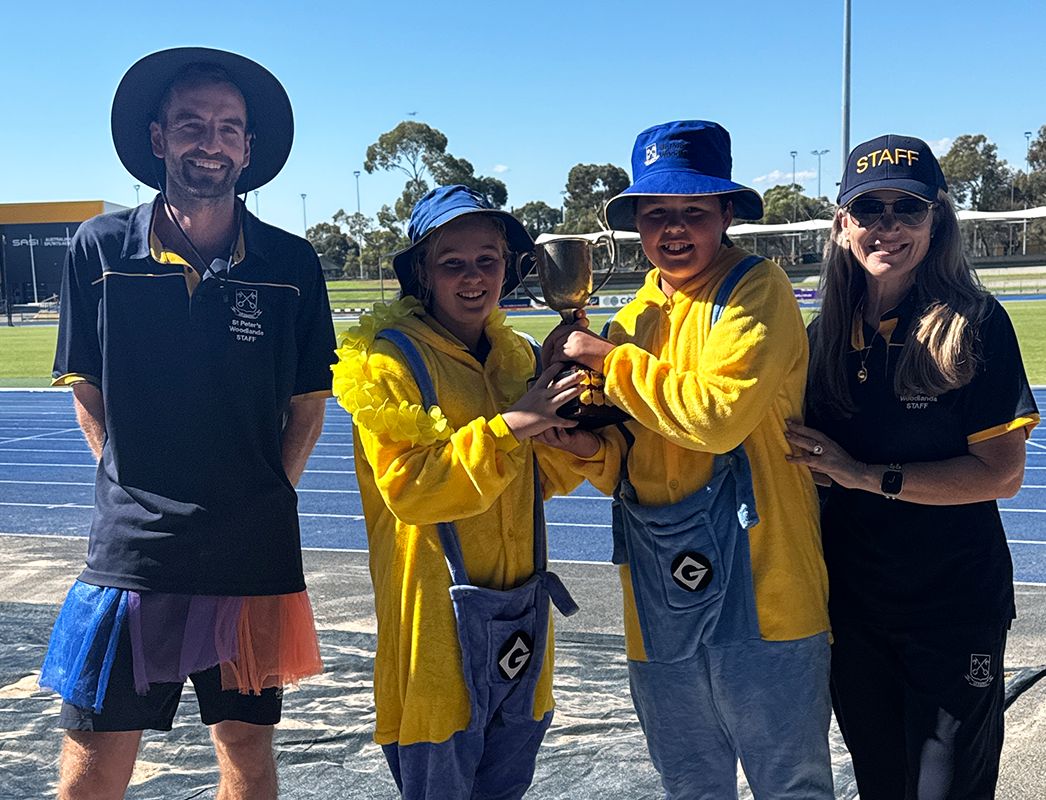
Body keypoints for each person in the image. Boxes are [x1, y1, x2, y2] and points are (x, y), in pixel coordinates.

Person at [42, 48, 336, 799]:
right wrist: (130, 484)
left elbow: (308, 403)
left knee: (246, 752)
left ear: (249, 147)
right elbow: (86, 385)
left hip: (251, 549)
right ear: (158, 137)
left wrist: (265, 492)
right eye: (192, 124)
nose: (212, 141)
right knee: (93, 761)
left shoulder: (292, 263)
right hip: (135, 551)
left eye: (229, 127)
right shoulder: (98, 247)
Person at [543, 120, 835, 798]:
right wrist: (588, 450)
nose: (674, 229)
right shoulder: (634, 314)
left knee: (791, 786)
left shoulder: (756, 289)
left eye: (693, 211)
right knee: (689, 785)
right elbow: (639, 459)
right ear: (635, 223)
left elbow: (715, 420)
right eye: (657, 213)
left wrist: (607, 359)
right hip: (658, 602)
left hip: (770, 592)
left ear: (726, 214)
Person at [334, 185, 618, 800]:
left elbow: (541, 479)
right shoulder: (388, 362)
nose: (473, 277)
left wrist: (574, 429)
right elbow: (413, 490)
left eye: (487, 260)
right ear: (422, 273)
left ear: (508, 267)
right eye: (452, 263)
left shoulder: (517, 354)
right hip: (434, 630)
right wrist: (516, 423)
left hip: (521, 614)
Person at [785, 134, 1041, 799]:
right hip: (852, 611)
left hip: (953, 612)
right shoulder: (822, 337)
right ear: (843, 225)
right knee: (881, 786)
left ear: (937, 221)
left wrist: (864, 474)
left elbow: (1001, 475)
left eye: (909, 208)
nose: (889, 226)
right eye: (869, 209)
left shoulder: (974, 324)